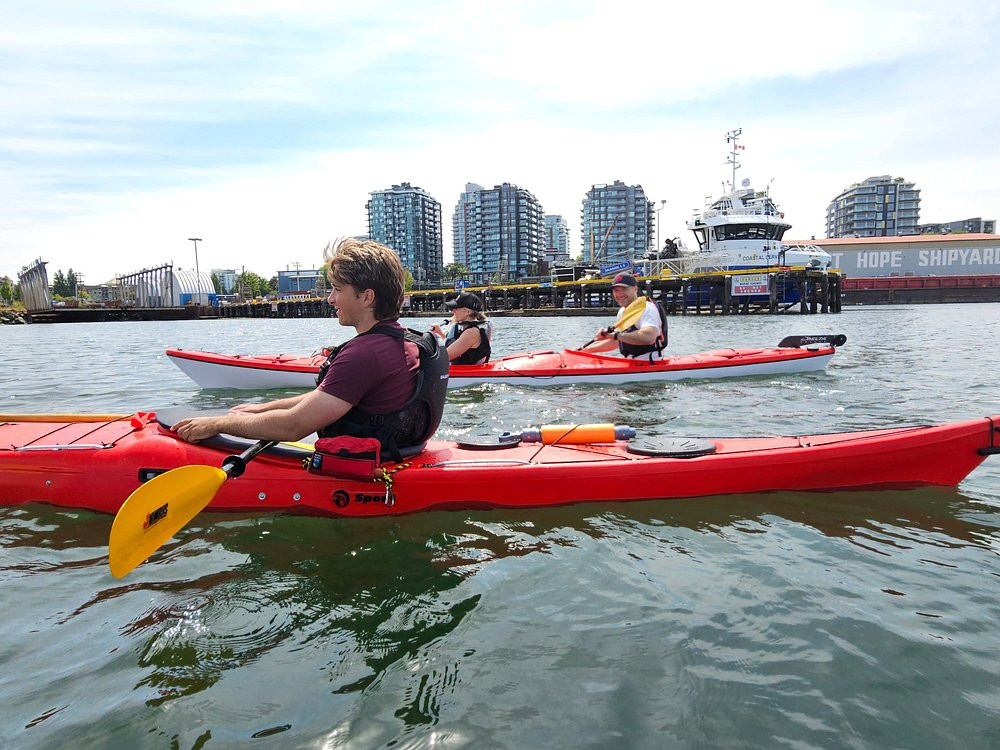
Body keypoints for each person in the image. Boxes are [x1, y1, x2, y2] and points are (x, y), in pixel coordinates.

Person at [174, 238, 448, 458]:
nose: (330, 299)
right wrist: (261, 409)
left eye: (337, 289)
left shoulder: (365, 354)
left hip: (368, 467)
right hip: (402, 452)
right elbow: (326, 395)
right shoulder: (406, 341)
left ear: (366, 297)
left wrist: (218, 424)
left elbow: (293, 426)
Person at [579, 273, 667, 360]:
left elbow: (649, 337)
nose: (619, 294)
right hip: (632, 363)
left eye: (624, 289)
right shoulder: (622, 311)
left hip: (651, 364)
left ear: (635, 289)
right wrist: (585, 351)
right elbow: (617, 341)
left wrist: (614, 335)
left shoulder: (647, 308)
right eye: (616, 290)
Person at [429, 291, 492, 365]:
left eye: (456, 308)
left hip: (468, 373)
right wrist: (440, 333)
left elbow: (444, 356)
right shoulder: (471, 329)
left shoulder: (471, 333)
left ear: (467, 312)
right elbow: (455, 347)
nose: (453, 311)